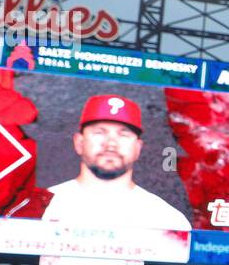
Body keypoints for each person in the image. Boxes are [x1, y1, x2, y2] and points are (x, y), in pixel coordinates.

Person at [42, 95, 191, 230]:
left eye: (123, 134)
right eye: (99, 132)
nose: (111, 144)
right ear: (79, 142)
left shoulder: (167, 220)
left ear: (138, 148)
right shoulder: (42, 207)